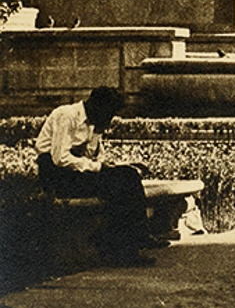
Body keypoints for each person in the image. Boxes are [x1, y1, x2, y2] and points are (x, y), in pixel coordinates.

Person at [35, 86, 162, 266]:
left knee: (129, 174)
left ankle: (129, 240)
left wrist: (98, 144)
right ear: (96, 107)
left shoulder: (94, 122)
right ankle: (124, 246)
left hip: (76, 171)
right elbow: (60, 158)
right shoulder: (66, 115)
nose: (109, 120)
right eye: (109, 114)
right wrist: (97, 166)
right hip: (57, 174)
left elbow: (95, 157)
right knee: (120, 184)